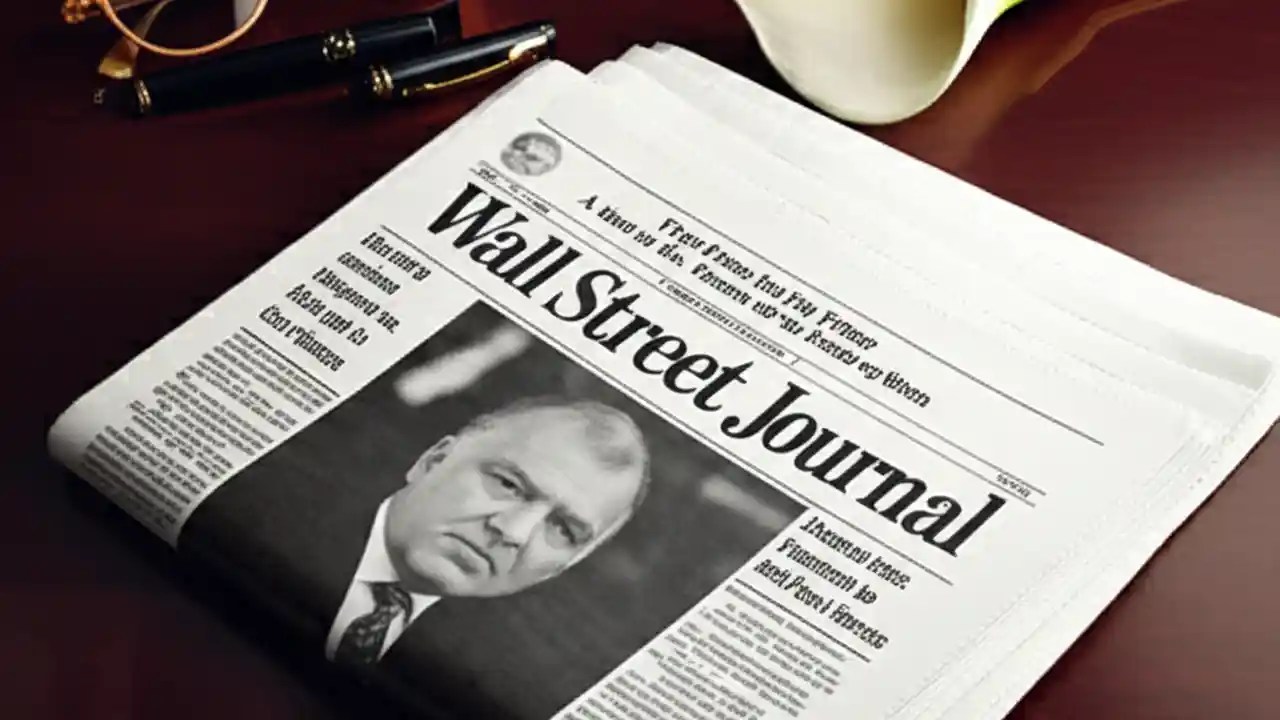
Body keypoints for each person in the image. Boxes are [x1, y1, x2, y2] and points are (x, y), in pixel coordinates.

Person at [323, 397, 650, 665]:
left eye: (563, 529)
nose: (514, 533)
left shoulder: (514, 672)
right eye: (508, 484)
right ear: (433, 460)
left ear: (570, 562)